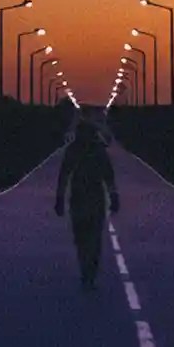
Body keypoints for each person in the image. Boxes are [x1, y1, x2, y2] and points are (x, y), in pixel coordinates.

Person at [54, 114, 119, 289]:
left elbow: (64, 176)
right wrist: (114, 197)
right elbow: (109, 177)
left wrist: (59, 199)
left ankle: (87, 271)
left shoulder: (76, 150)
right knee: (91, 237)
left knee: (85, 237)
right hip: (90, 198)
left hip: (82, 198)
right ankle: (89, 271)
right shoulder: (96, 150)